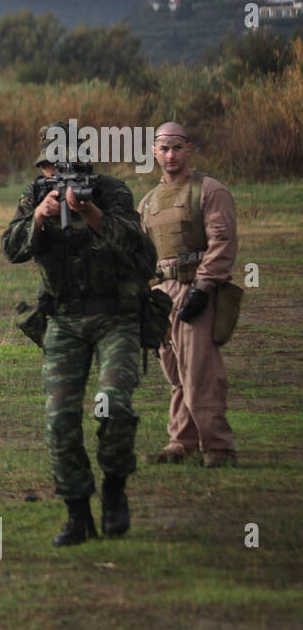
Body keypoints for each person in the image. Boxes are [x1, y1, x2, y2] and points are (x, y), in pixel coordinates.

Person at [2, 123, 157, 545]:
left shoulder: (112, 193)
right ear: (45, 167)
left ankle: (114, 488)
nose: (62, 174)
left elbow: (142, 254)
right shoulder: (36, 194)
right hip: (65, 319)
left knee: (113, 406)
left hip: (116, 317)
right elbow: (12, 248)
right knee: (60, 421)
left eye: (70, 165)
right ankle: (76, 512)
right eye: (54, 167)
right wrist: (38, 217)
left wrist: (91, 214)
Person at [138, 122, 238, 468]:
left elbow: (222, 241)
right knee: (175, 373)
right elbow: (142, 255)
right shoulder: (148, 203)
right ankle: (181, 441)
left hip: (196, 291)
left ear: (188, 149)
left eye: (177, 147)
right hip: (161, 294)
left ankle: (219, 447)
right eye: (163, 148)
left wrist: (203, 286)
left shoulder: (209, 190)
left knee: (200, 373)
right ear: (153, 152)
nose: (170, 155)